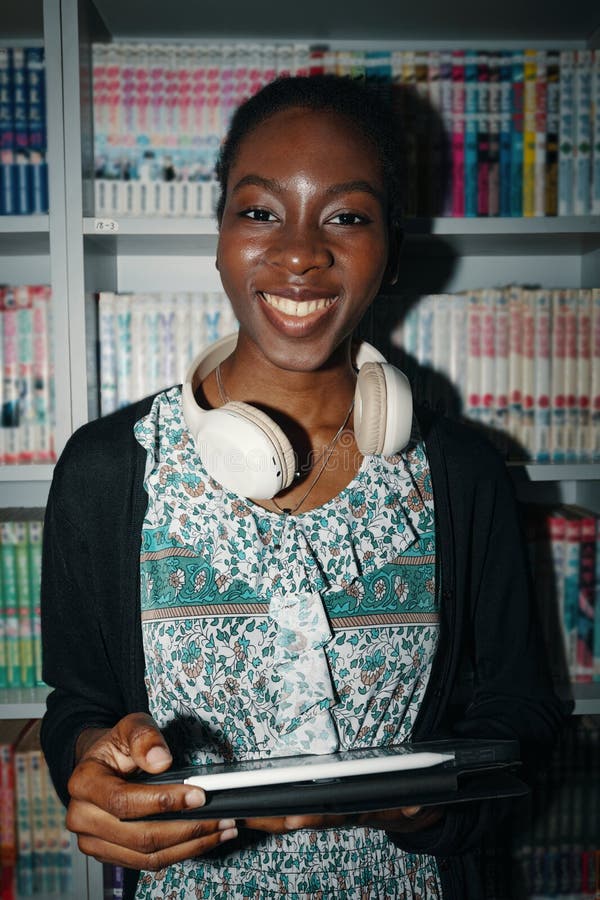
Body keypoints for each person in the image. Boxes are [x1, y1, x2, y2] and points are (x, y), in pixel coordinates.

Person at [40, 74, 568, 900]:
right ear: (217, 236)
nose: (299, 251)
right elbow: (77, 703)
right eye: (259, 211)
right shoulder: (105, 471)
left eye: (346, 216)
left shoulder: (460, 473)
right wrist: (93, 762)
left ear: (390, 248)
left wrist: (429, 809)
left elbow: (524, 722)